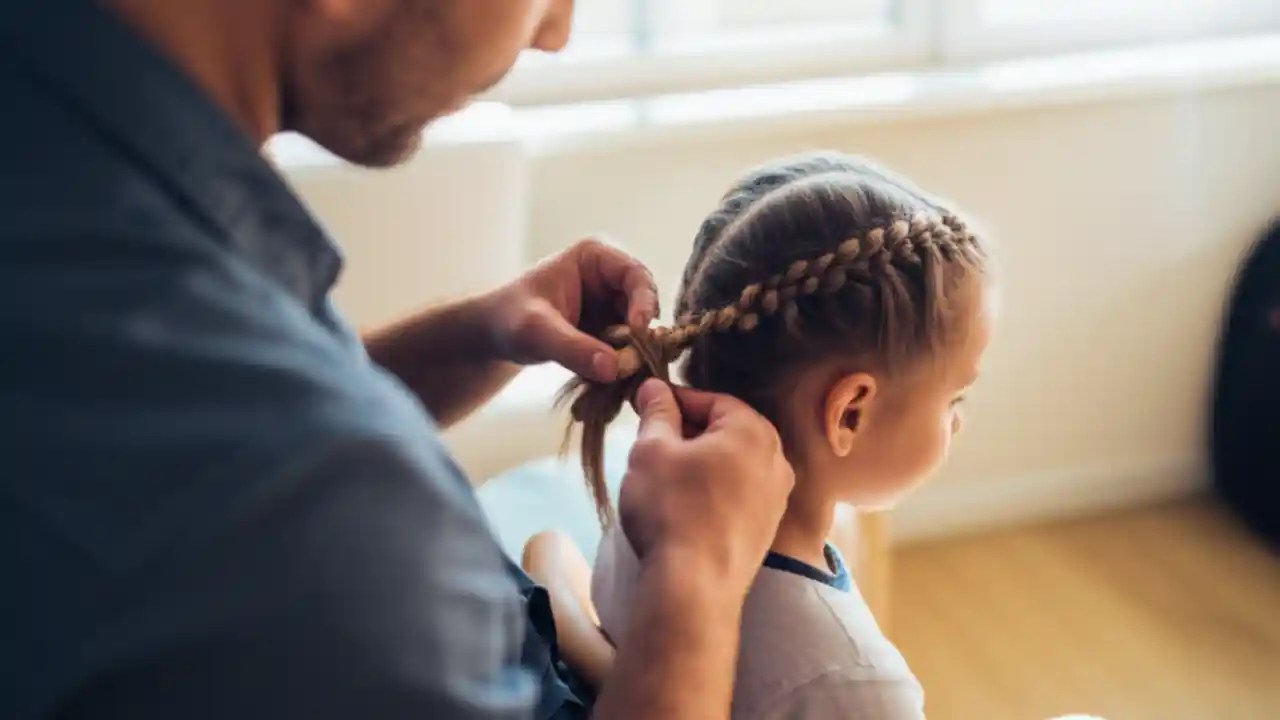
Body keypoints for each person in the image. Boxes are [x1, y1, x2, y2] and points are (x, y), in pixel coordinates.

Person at [0, 1, 796, 719]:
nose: (556, 33)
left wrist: (475, 337)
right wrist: (694, 586)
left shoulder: (65, 163)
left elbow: (168, 455)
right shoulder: (327, 515)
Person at [525, 153, 997, 718]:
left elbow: (556, 566)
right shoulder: (856, 683)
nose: (959, 420)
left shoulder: (653, 506)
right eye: (954, 398)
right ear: (850, 413)